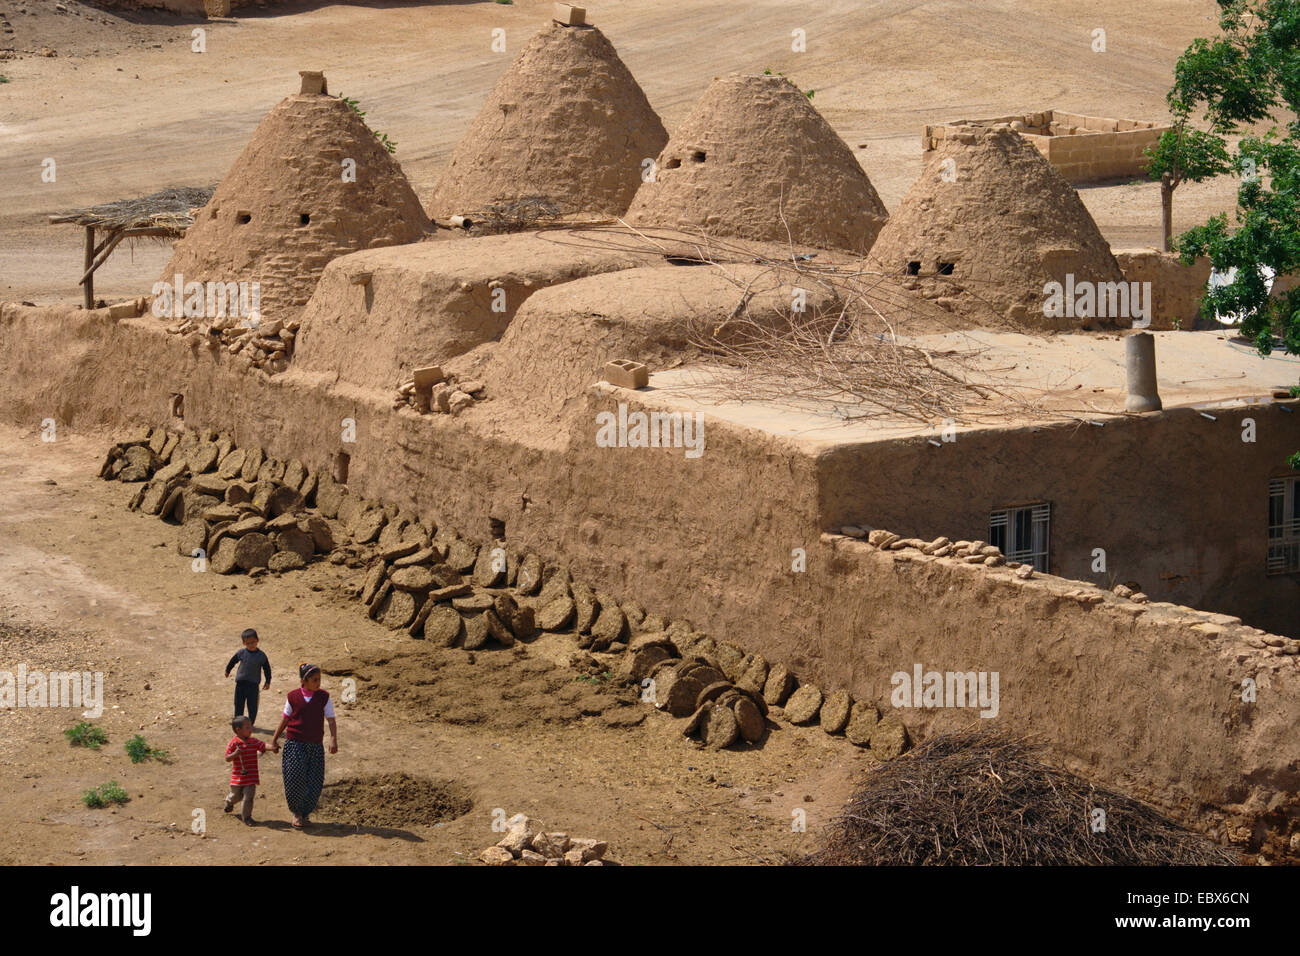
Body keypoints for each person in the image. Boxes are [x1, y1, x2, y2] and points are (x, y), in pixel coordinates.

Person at [271, 663, 338, 830]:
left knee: (315, 780)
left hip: (315, 746)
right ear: (304, 681)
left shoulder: (324, 697)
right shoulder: (293, 697)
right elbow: (285, 719)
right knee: (295, 779)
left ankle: (306, 813)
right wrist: (274, 739)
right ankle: (296, 813)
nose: (318, 683)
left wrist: (333, 738)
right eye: (314, 680)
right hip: (295, 745)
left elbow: (331, 719)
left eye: (319, 679)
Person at [224, 715, 267, 825]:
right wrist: (235, 754)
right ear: (238, 730)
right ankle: (229, 802)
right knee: (236, 796)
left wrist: (274, 747)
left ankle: (247, 817)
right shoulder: (234, 743)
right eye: (247, 727)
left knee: (249, 796)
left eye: (251, 726)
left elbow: (264, 745)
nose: (251, 729)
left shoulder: (253, 741)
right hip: (237, 777)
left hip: (250, 776)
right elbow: (227, 758)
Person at [224, 628, 272, 727]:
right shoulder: (241, 653)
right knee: (238, 704)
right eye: (248, 643)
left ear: (257, 640)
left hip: (253, 685)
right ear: (244, 643)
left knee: (252, 706)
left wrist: (268, 681)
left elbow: (267, 669)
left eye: (253, 642)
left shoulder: (261, 656)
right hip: (240, 685)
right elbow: (233, 661)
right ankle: (238, 724)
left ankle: (250, 724)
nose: (251, 645)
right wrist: (228, 670)